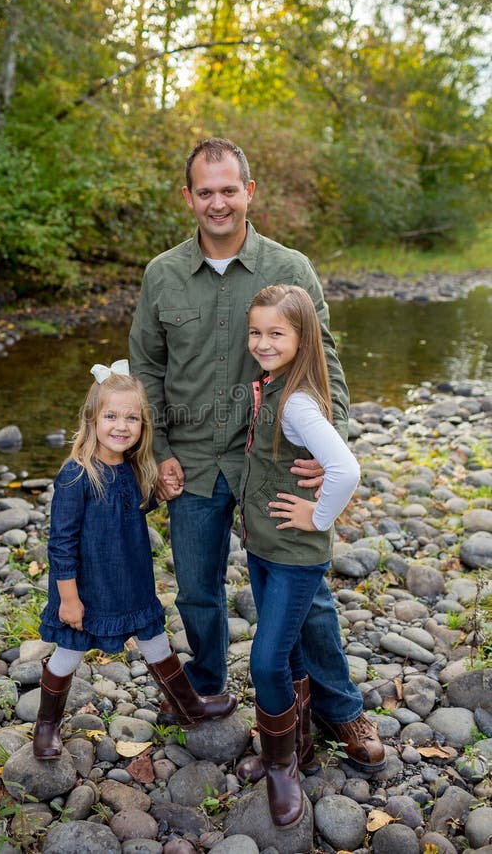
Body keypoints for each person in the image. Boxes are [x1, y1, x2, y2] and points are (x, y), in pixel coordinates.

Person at [129, 137, 384, 773]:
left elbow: (325, 362)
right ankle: (207, 684)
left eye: (229, 189)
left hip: (271, 458)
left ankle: (338, 707)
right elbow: (146, 370)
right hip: (190, 460)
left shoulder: (289, 268)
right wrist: (157, 452)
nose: (218, 202)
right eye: (205, 191)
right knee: (197, 590)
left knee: (306, 594)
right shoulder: (162, 274)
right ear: (188, 197)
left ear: (249, 192)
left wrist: (329, 443)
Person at [33, 360, 236, 760]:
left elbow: (129, 510)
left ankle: (188, 706)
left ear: (143, 425)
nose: (121, 426)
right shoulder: (76, 475)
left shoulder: (131, 468)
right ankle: (46, 724)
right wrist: (69, 599)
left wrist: (159, 495)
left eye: (132, 418)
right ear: (92, 419)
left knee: (156, 641)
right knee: (68, 653)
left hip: (131, 581)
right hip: (87, 589)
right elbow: (61, 544)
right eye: (111, 416)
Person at [239, 284, 366, 827]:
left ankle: (281, 766)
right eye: (255, 332)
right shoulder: (272, 385)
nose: (263, 343)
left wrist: (318, 516)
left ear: (302, 337)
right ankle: (302, 746)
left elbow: (346, 469)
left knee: (265, 661)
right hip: (264, 547)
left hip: (294, 555)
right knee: (288, 655)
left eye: (276, 333)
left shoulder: (297, 402)